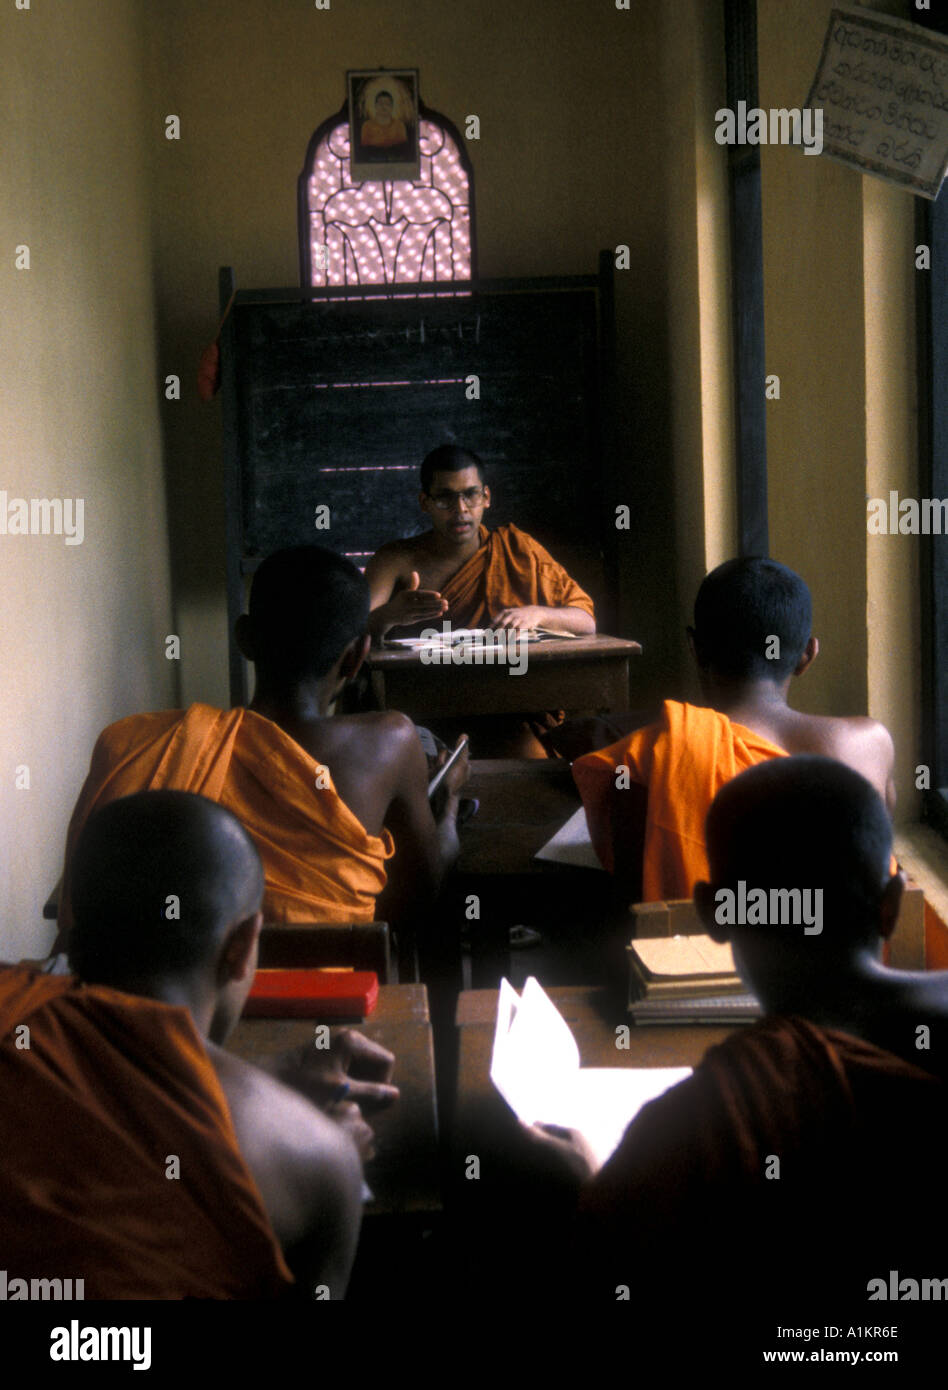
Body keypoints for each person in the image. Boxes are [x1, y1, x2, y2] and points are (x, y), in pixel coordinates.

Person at [526, 758, 947, 1315]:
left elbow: (600, 1274)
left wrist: (590, 1175)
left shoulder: (711, 1115)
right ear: (892, 905)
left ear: (714, 913)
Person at [0, 791, 399, 1299]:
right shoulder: (321, 1161)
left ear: (73, 927)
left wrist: (260, 1079)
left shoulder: (15, 1001)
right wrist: (309, 1132)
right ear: (242, 946)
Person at [56, 546, 468, 938]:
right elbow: (419, 897)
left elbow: (90, 909)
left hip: (180, 1000)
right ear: (357, 656)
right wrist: (447, 809)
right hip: (330, 1000)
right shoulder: (391, 742)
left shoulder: (133, 745)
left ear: (245, 639)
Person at [572, 556, 895, 901]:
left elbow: (636, 884)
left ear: (695, 648)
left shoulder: (652, 752)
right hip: (841, 952)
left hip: (709, 952)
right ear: (807, 655)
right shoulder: (871, 743)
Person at [366, 445, 596, 756]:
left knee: (533, 763)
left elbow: (585, 621)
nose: (460, 509)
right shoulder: (396, 560)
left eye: (470, 495)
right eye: (445, 498)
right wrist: (390, 615)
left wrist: (537, 614)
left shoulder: (517, 549)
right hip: (422, 711)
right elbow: (353, 631)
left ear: (486, 497)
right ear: (425, 502)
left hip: (507, 709)